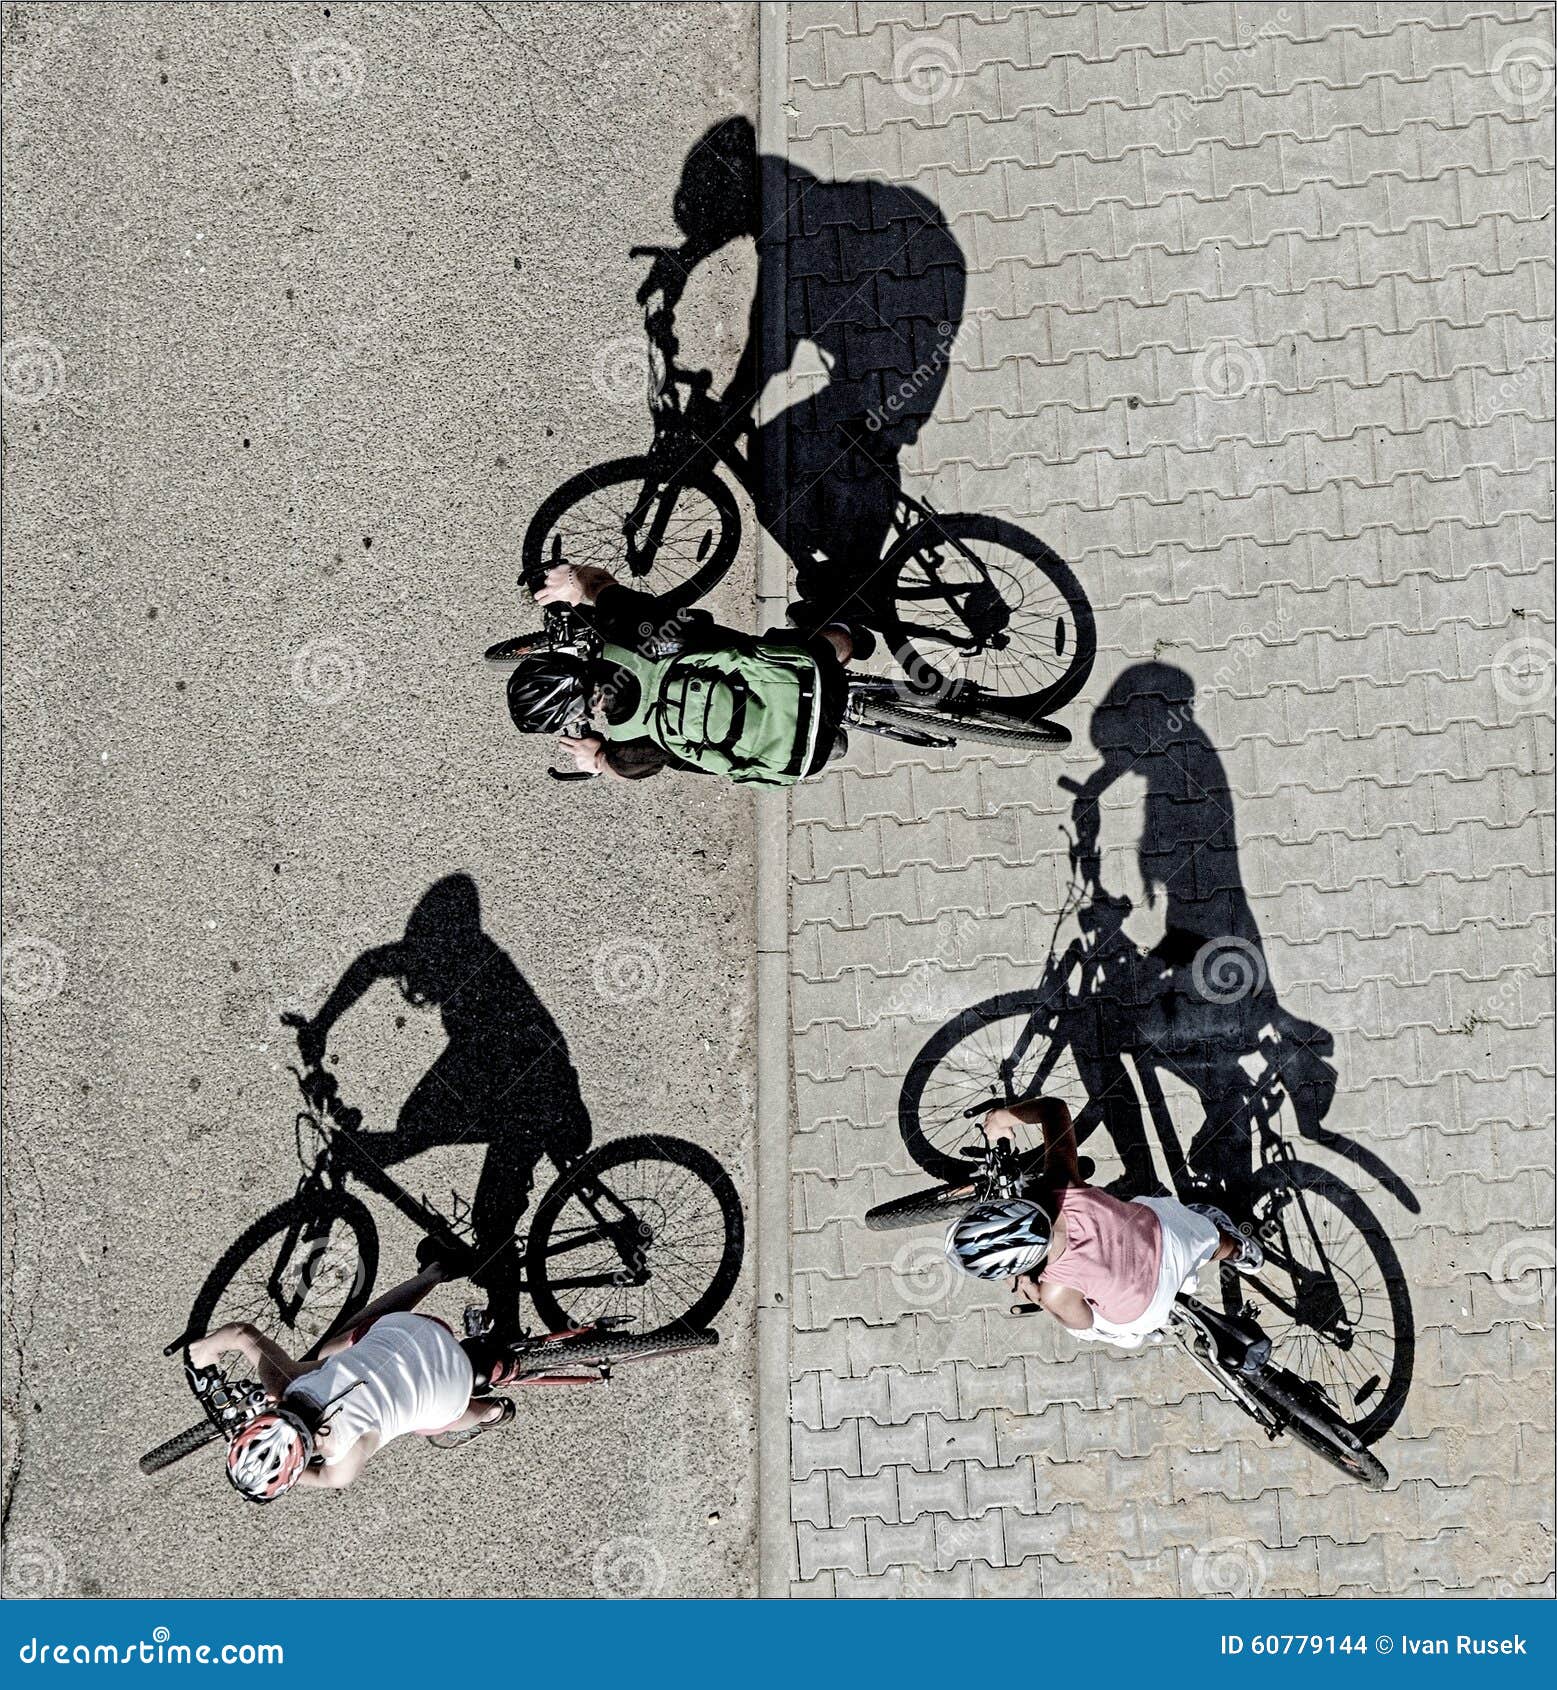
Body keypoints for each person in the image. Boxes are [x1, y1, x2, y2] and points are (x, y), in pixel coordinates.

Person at [189, 1257, 523, 1502]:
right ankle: (435, 1272)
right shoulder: (286, 1382)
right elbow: (240, 1332)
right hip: (421, 1328)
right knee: (334, 1347)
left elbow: (326, 1477)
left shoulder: (343, 1458)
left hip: (454, 1386)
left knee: (436, 1420)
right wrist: (202, 1354)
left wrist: (289, 1474)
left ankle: (493, 1412)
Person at [944, 1097, 1263, 1350]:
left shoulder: (1055, 1291)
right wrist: (1003, 1118)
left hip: (1145, 1308)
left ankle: (1144, 1334)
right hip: (1168, 1239)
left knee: (1086, 1329)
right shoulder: (1061, 1183)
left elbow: (1081, 1321)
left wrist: (1033, 1291)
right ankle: (1242, 1252)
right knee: (1207, 1239)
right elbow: (1054, 1109)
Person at [509, 562, 872, 782]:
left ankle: (828, 740)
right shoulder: (625, 627)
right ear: (564, 661)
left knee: (679, 759)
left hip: (801, 758)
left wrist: (596, 758)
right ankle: (850, 636)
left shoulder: (627, 745)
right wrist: (572, 579)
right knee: (809, 645)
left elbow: (615, 768)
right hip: (814, 677)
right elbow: (601, 584)